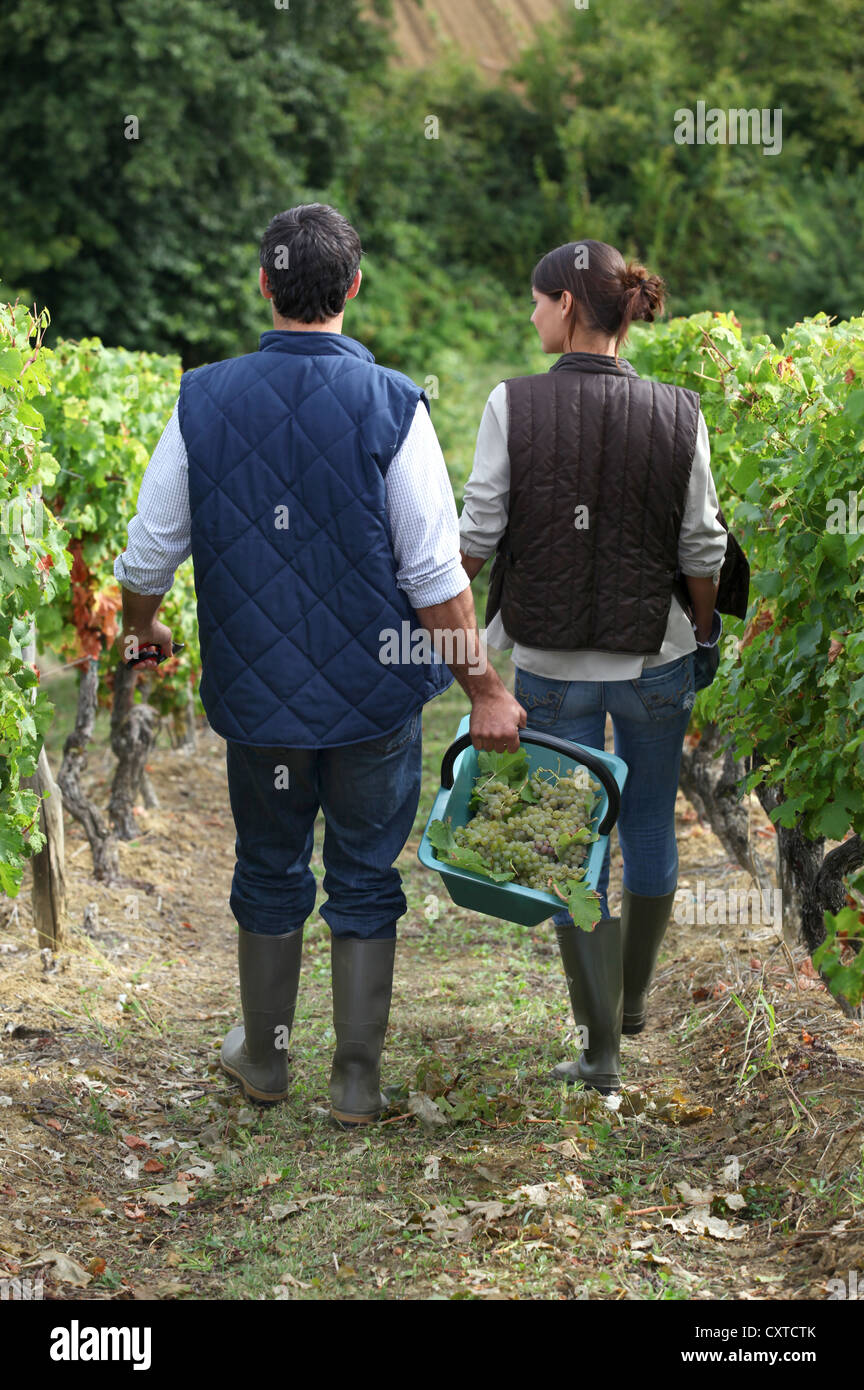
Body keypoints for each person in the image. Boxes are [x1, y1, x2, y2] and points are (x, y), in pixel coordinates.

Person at [113, 204, 525, 1126]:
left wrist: (145, 629)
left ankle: (262, 1058)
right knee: (366, 874)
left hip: (258, 702)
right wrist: (485, 689)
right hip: (374, 703)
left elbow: (148, 554)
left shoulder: (203, 398)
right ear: (354, 287)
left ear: (263, 284)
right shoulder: (390, 401)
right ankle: (354, 1079)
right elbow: (432, 574)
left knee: (268, 865)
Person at [458, 239, 728, 1094]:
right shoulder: (680, 411)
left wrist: (443, 624)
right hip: (656, 658)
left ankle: (600, 1043)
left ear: (568, 306)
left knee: (573, 845)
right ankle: (634, 1000)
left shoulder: (514, 405)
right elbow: (702, 546)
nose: (531, 315)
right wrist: (706, 631)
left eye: (537, 301)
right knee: (647, 823)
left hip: (548, 661)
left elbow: (474, 537)